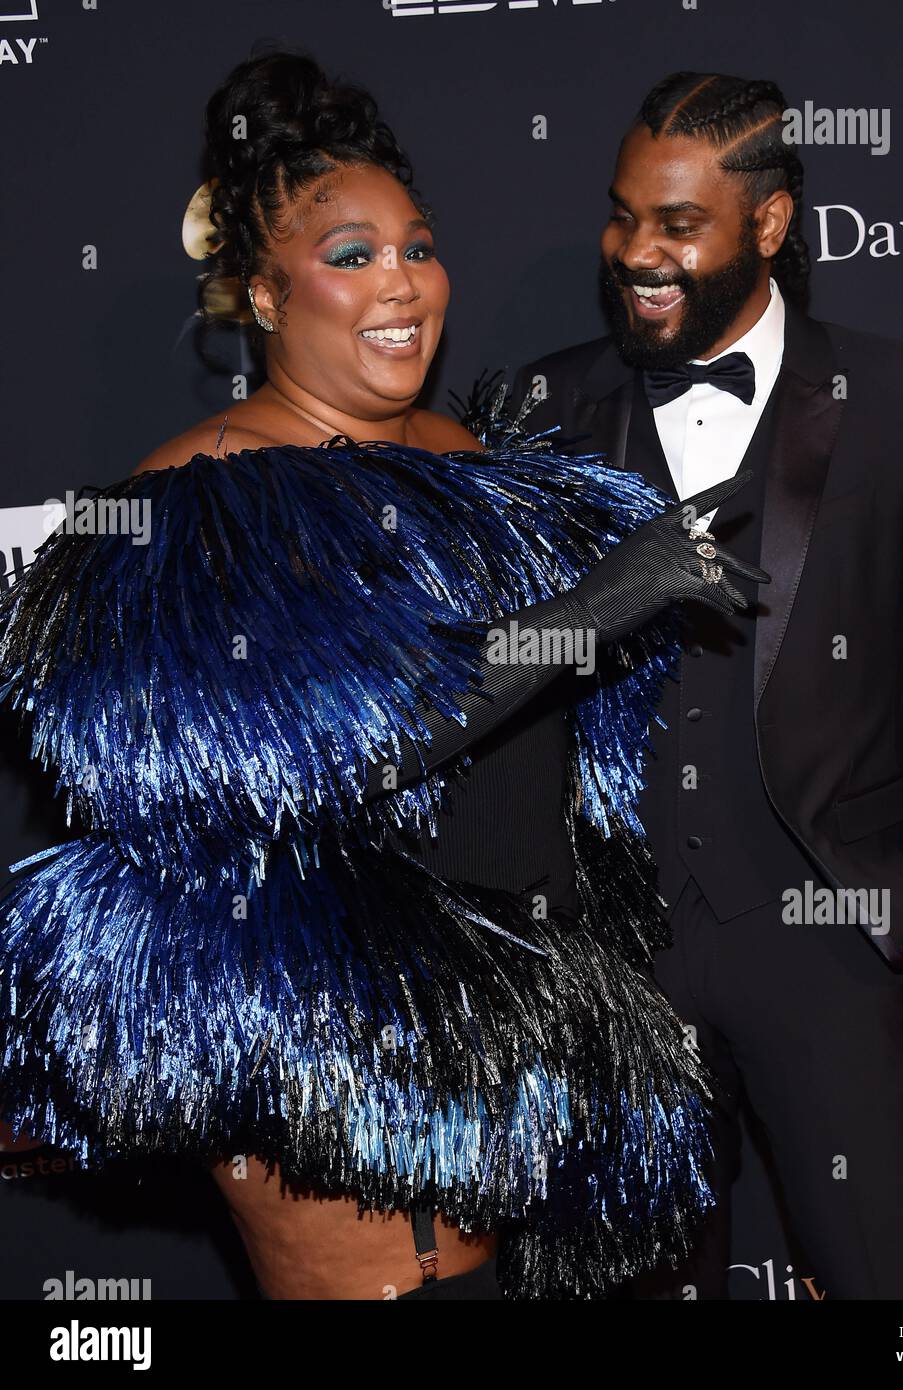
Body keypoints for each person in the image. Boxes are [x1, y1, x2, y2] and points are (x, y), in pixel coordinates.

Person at [0, 52, 770, 1302]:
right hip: (363, 1069)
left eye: (415, 246)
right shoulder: (207, 499)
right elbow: (346, 736)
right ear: (261, 290)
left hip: (539, 1060)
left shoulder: (468, 452)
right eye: (350, 256)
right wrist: (600, 599)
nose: (401, 282)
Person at [510, 70, 903, 1299]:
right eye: (621, 214)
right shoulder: (540, 406)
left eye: (676, 224)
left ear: (769, 223)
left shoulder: (900, 396)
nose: (636, 252)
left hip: (828, 947)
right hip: (615, 967)